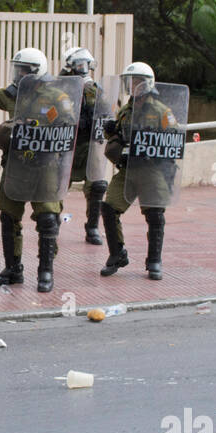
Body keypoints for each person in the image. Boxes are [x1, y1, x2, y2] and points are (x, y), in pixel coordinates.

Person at [0, 47, 74, 292]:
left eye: (23, 70)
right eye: (17, 69)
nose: (18, 75)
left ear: (36, 72)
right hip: (16, 164)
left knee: (47, 217)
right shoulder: (15, 95)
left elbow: (68, 128)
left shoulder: (58, 98)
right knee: (8, 215)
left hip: (45, 166)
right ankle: (13, 269)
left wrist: (39, 128)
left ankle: (45, 271)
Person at [100, 62, 177, 280]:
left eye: (136, 82)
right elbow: (119, 136)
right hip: (128, 169)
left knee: (155, 215)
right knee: (108, 208)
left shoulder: (162, 111)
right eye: (130, 82)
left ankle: (154, 261)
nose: (132, 86)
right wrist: (112, 131)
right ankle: (117, 254)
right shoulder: (126, 110)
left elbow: (173, 140)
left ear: (147, 84)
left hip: (152, 169)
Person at [61, 46, 108, 245]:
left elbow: (105, 111)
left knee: (96, 186)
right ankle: (52, 222)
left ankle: (92, 227)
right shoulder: (62, 87)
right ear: (70, 67)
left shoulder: (94, 88)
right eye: (78, 65)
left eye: (85, 64)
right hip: (69, 144)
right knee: (59, 185)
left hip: (89, 145)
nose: (83, 68)